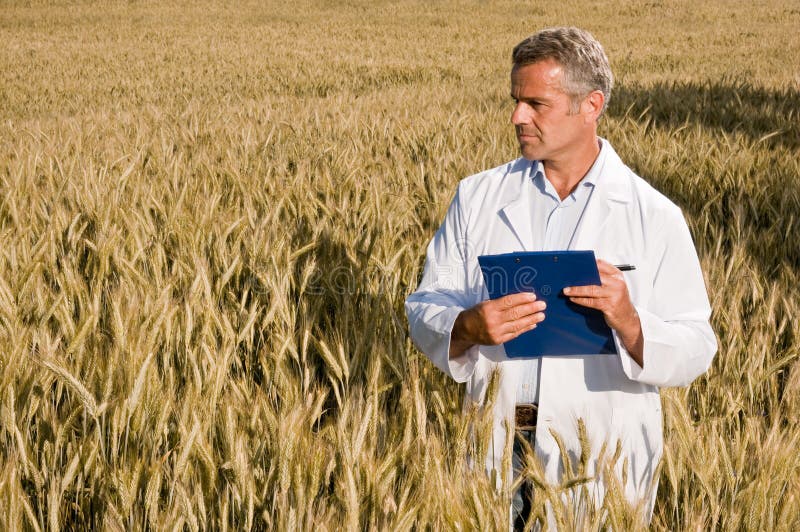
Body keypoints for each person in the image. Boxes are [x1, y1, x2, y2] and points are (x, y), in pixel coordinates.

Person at [404, 27, 717, 527]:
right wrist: (464, 327)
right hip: (496, 441)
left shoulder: (653, 215)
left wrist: (632, 323)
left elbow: (698, 345)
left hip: (602, 461)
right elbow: (425, 301)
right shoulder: (476, 198)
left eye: (536, 104)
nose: (516, 117)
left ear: (590, 105)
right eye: (515, 101)